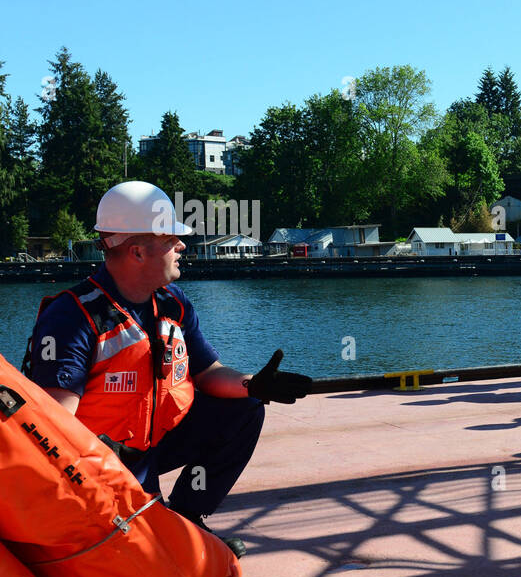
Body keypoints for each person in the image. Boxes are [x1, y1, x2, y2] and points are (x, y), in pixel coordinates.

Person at [24, 181, 312, 555]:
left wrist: (253, 384)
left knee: (244, 408)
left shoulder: (174, 303)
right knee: (159, 566)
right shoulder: (73, 317)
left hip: (155, 444)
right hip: (99, 463)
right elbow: (52, 425)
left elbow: (209, 374)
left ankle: (189, 513)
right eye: (171, 238)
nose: (182, 246)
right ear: (138, 251)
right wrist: (103, 454)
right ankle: (145, 518)